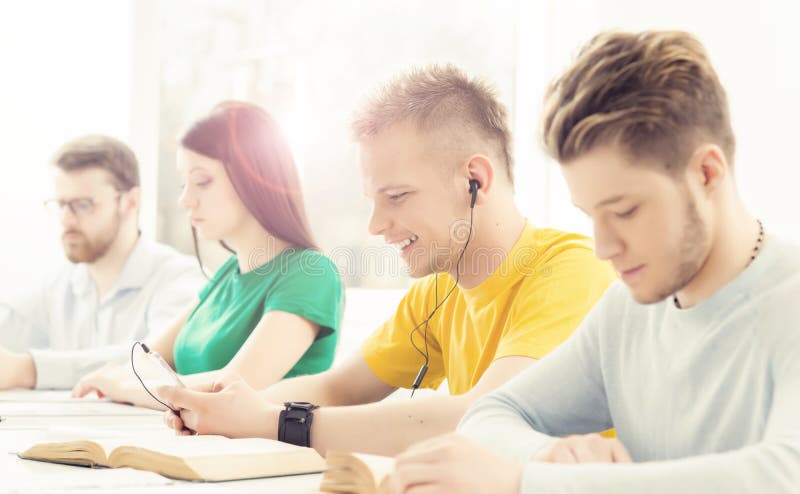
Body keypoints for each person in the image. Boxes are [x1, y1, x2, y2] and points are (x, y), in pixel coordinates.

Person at [387, 31, 800, 494]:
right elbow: (490, 415)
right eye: (590, 215)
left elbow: (785, 475)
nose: (602, 247)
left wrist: (527, 480)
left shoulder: (791, 304)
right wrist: (548, 456)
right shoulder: (624, 312)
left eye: (625, 211)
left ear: (706, 172)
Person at [159, 65, 616, 456]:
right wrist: (230, 407)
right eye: (372, 200)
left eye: (396, 196)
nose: (376, 225)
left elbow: (480, 416)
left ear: (474, 179)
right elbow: (337, 389)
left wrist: (273, 421)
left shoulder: (570, 270)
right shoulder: (436, 293)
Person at [71, 102, 344, 408]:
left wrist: (124, 387)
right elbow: (143, 359)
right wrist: (128, 382)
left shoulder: (310, 273)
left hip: (256, 453)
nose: (185, 200)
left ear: (254, 178)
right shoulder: (228, 274)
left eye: (202, 181)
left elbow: (231, 389)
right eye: (184, 183)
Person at [0, 135, 202, 390]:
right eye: (61, 205)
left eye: (82, 205)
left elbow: (156, 360)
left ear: (131, 201)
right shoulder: (57, 285)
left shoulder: (180, 279)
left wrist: (29, 370)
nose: (66, 219)